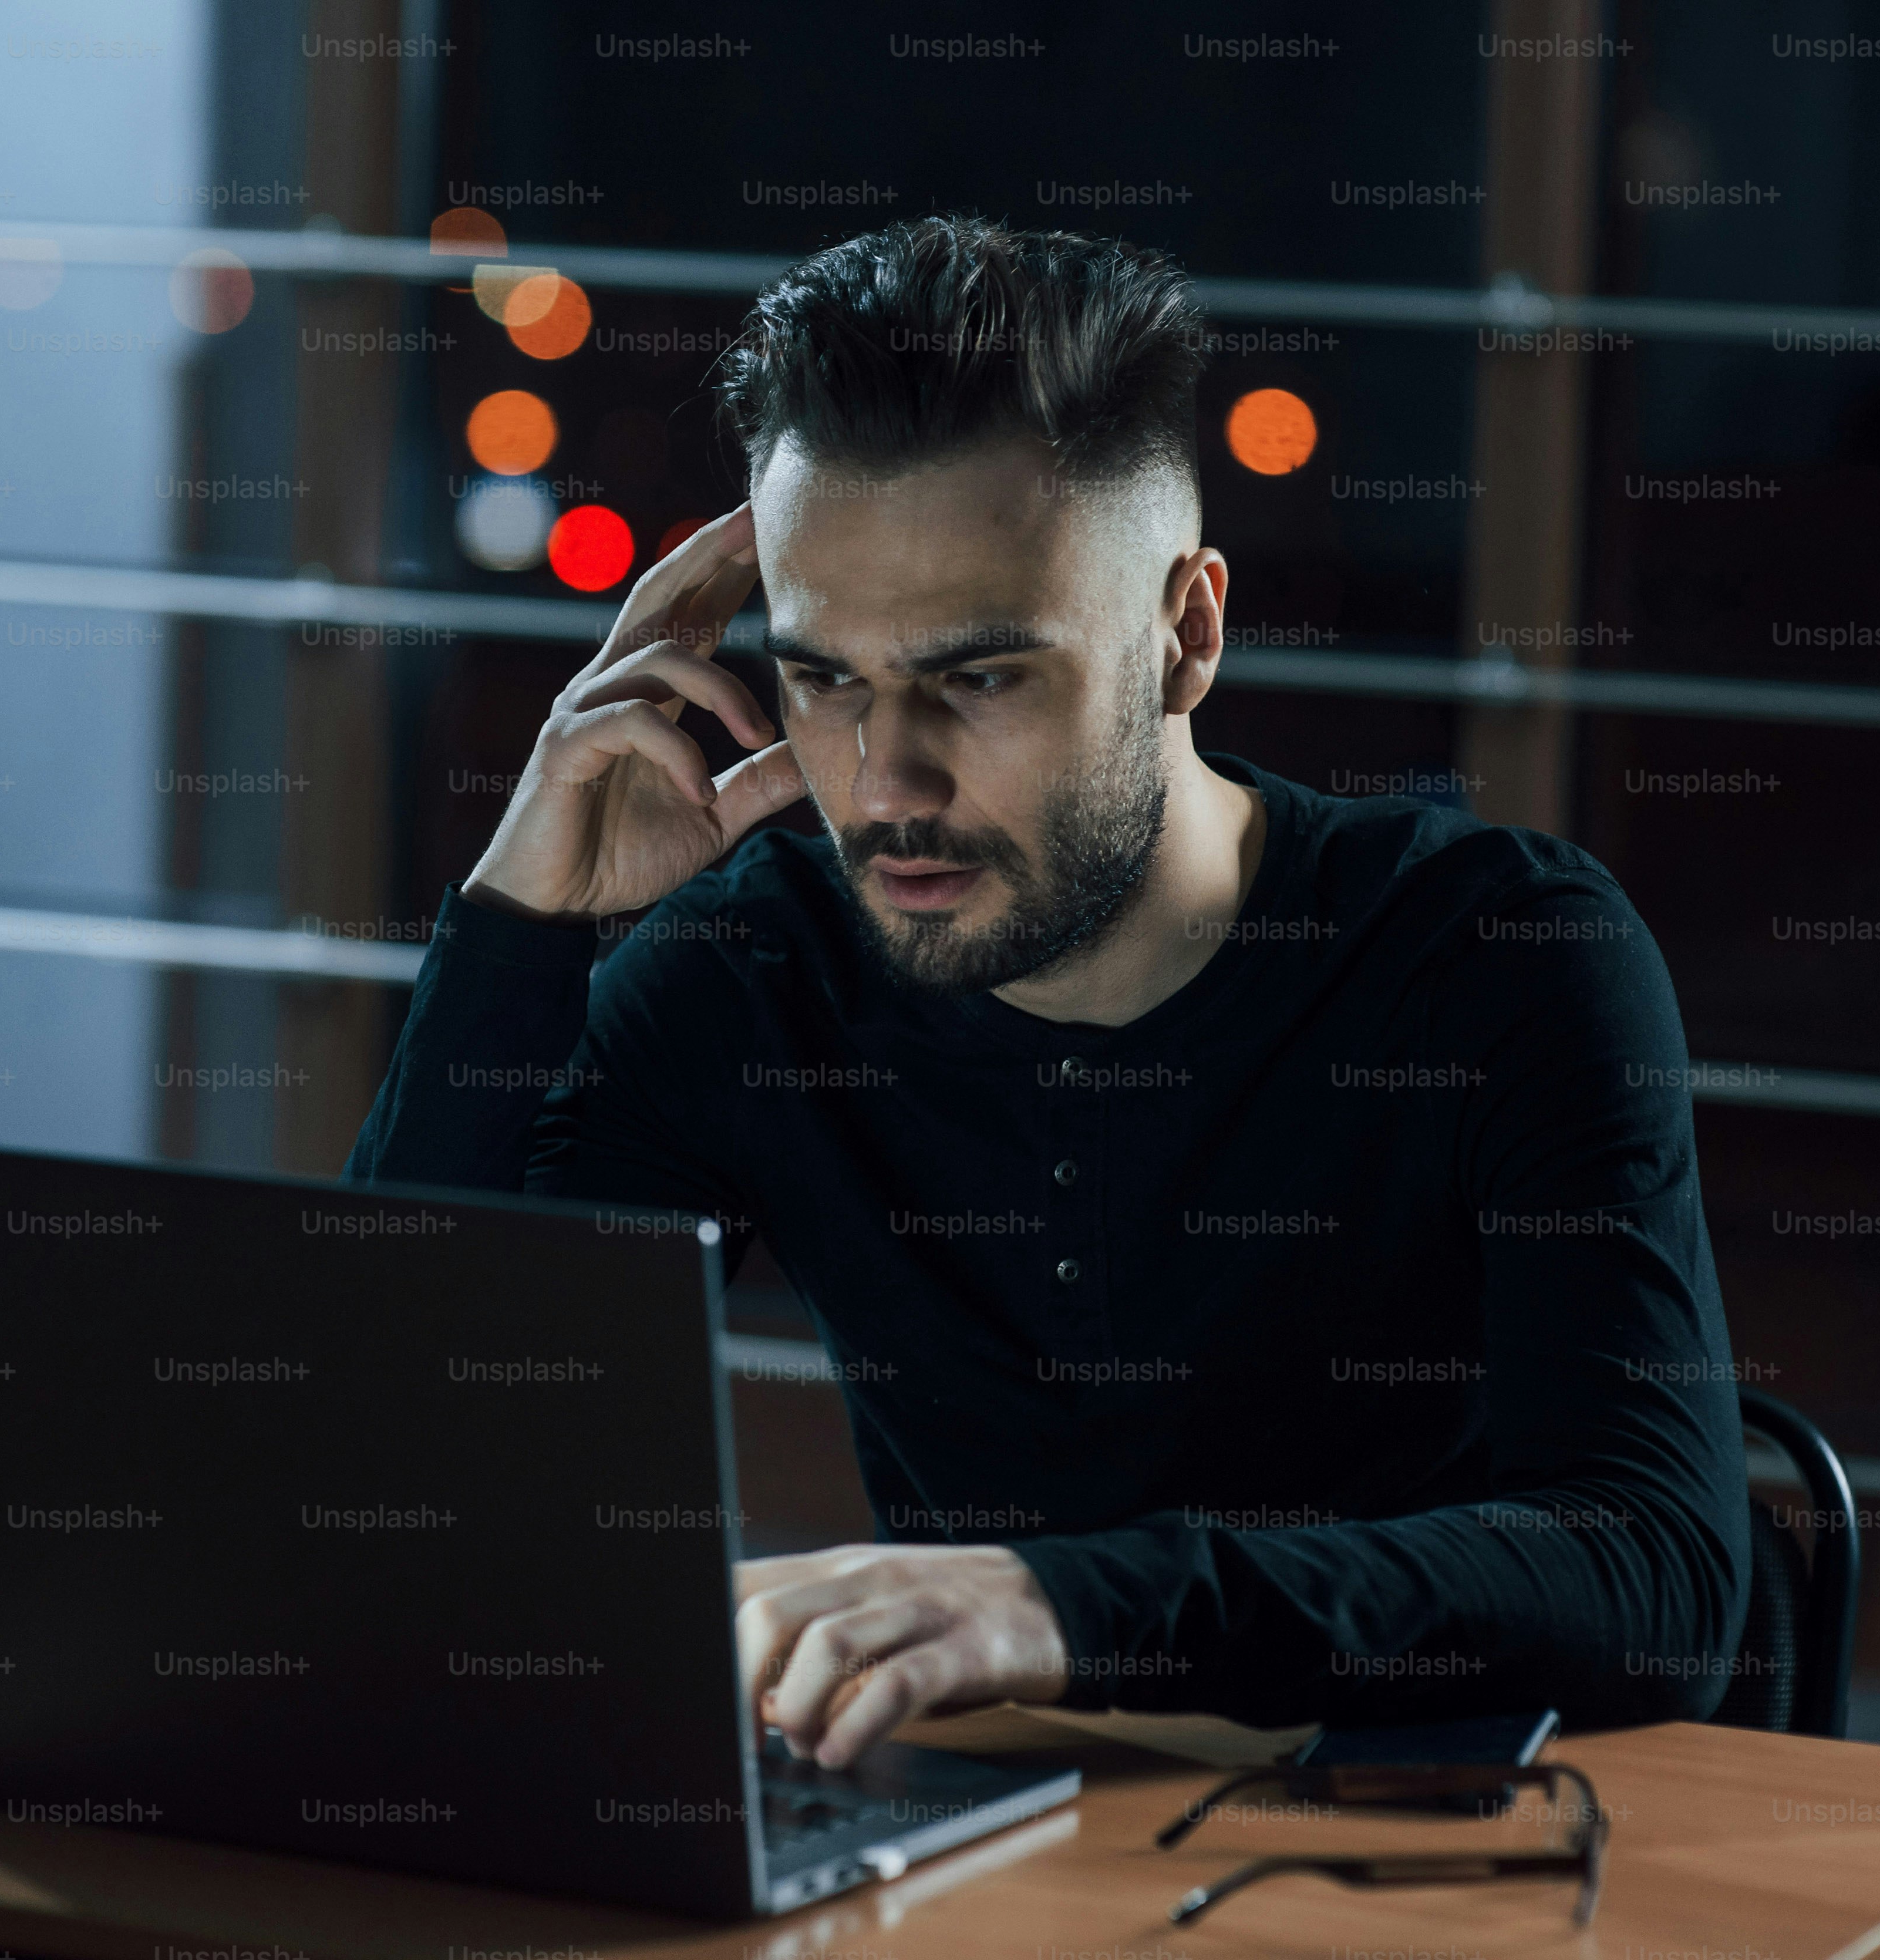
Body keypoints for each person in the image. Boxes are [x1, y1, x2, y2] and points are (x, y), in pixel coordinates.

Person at [349, 214, 1750, 1769]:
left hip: (1418, 1850)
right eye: (825, 676)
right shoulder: (754, 974)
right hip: (972, 1841)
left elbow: (1655, 1576)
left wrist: (1056, 1603)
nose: (888, 784)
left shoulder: (1501, 958)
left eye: (980, 677)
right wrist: (522, 924)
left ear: (1187, 634)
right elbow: (407, 1473)